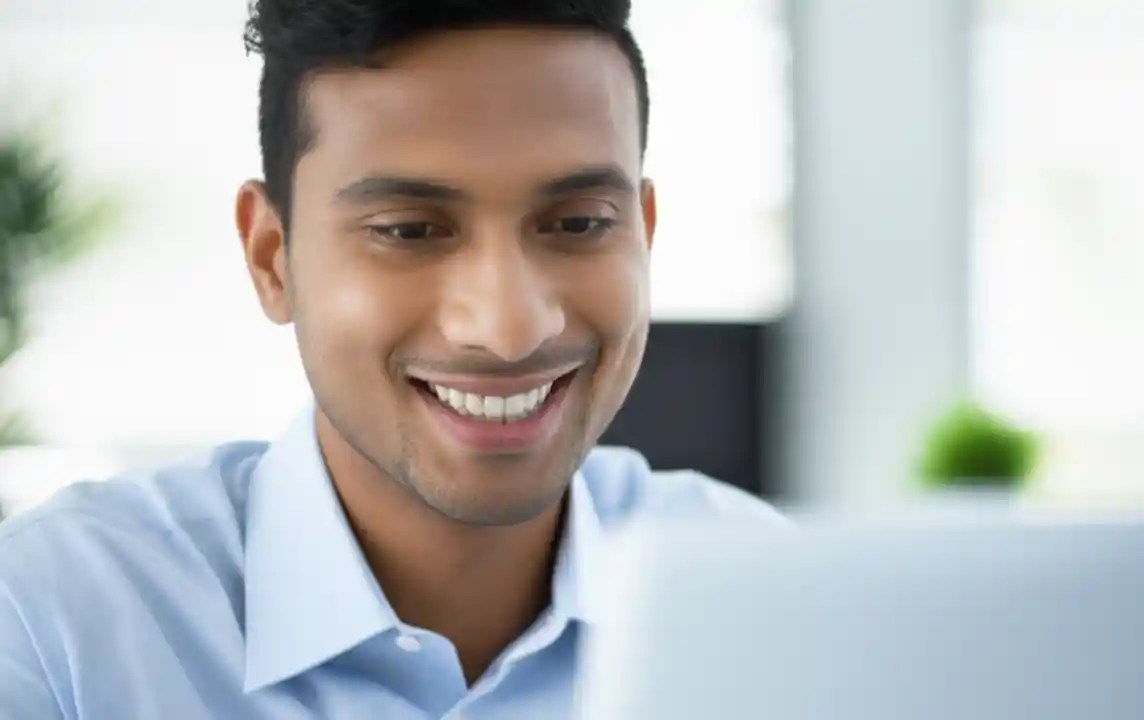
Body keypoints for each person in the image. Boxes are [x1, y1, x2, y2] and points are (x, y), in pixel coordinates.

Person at [0, 1, 784, 718]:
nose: (509, 329)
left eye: (578, 224)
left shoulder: (769, 601)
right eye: (410, 230)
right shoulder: (57, 624)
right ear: (274, 259)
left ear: (642, 234)